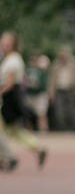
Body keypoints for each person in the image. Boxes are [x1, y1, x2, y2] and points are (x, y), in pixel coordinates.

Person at [0, 31, 49, 170]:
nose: (4, 43)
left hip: (8, 99)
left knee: (9, 130)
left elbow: (9, 84)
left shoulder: (13, 60)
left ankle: (8, 157)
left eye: (7, 41)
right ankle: (36, 149)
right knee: (13, 130)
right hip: (9, 97)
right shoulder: (8, 57)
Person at [47, 47, 75, 131]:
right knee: (59, 111)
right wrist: (51, 92)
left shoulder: (72, 64)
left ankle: (72, 129)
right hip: (59, 90)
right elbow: (52, 80)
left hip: (70, 90)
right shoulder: (55, 65)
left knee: (71, 111)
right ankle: (62, 129)